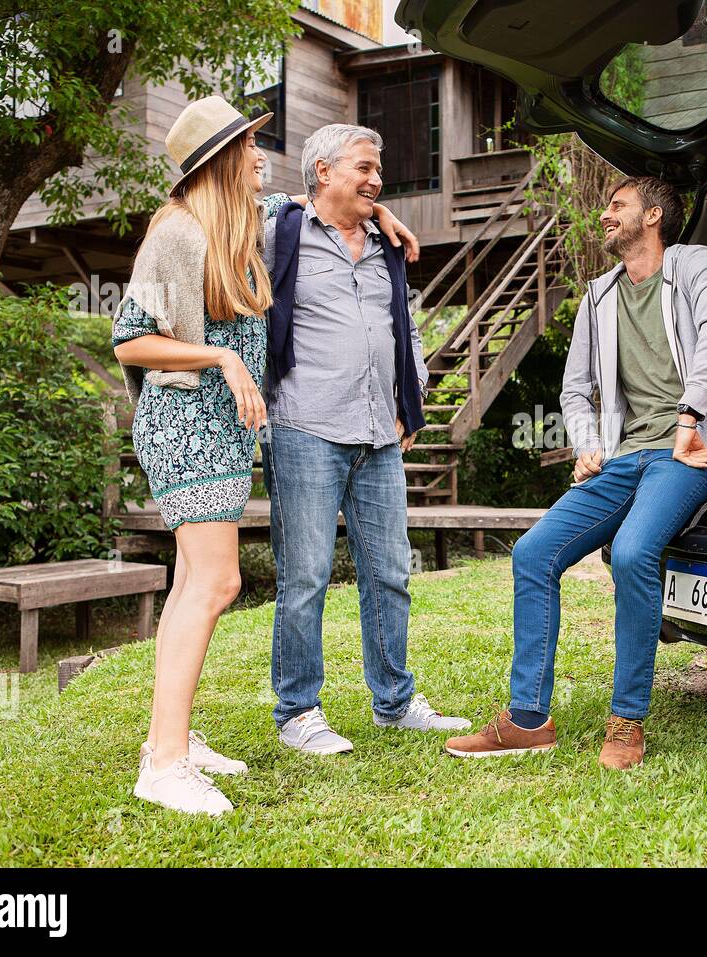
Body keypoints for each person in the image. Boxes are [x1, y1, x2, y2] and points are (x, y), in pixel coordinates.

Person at [112, 99, 416, 815]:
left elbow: (325, 196)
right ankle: (163, 764)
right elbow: (129, 338)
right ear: (221, 159)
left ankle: (172, 738)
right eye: (248, 146)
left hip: (221, 428)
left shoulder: (244, 217)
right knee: (215, 585)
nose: (259, 157)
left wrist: (381, 215)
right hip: (185, 423)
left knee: (193, 584)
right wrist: (221, 354)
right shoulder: (176, 231)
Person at [444, 176, 707, 770]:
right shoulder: (599, 294)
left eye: (617, 205)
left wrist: (689, 416)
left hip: (690, 452)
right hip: (625, 457)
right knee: (534, 553)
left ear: (653, 216)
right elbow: (575, 388)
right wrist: (587, 445)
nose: (604, 215)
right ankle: (528, 719)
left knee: (634, 554)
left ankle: (627, 718)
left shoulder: (695, 266)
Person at [259, 124, 471, 757]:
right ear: (322, 173)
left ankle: (395, 702)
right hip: (305, 428)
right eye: (364, 169)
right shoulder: (283, 232)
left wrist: (412, 398)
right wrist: (366, 205)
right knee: (306, 576)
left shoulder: (384, 245)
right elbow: (232, 210)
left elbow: (400, 326)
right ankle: (298, 711)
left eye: (379, 171)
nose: (376, 180)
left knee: (391, 572)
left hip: (380, 431)